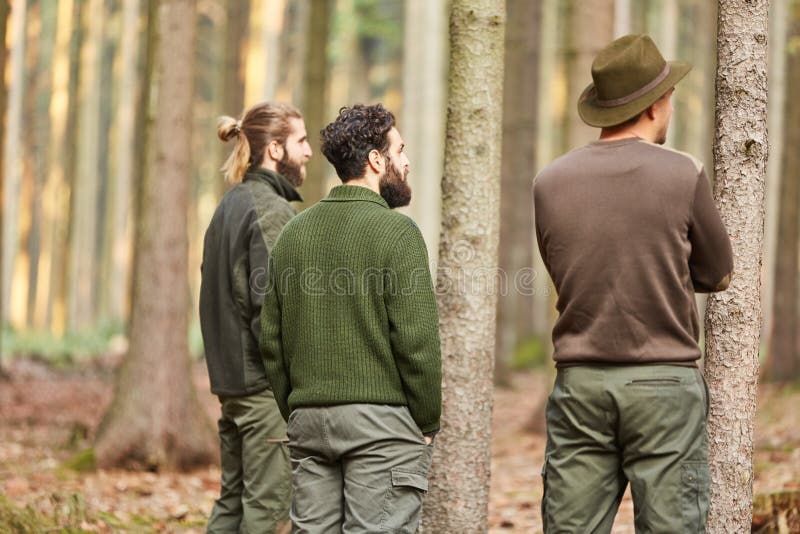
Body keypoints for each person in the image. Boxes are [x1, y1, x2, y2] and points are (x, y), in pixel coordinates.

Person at [533, 34, 733, 533]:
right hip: (664, 382)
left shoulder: (549, 181)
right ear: (655, 104)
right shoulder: (683, 173)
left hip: (580, 384)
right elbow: (718, 273)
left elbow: (565, 265)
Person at [259, 104, 441, 533]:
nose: (407, 161)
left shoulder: (293, 234)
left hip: (308, 423)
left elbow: (271, 340)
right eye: (401, 150)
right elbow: (418, 343)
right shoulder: (398, 233)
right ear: (377, 161)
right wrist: (427, 418)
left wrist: (298, 408)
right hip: (381, 427)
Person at [199, 102, 312, 533]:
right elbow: (272, 312)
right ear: (276, 149)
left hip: (233, 387)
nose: (308, 152)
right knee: (266, 514)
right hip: (263, 392)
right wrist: (293, 387)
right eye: (301, 142)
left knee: (232, 504)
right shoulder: (269, 211)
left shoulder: (231, 204)